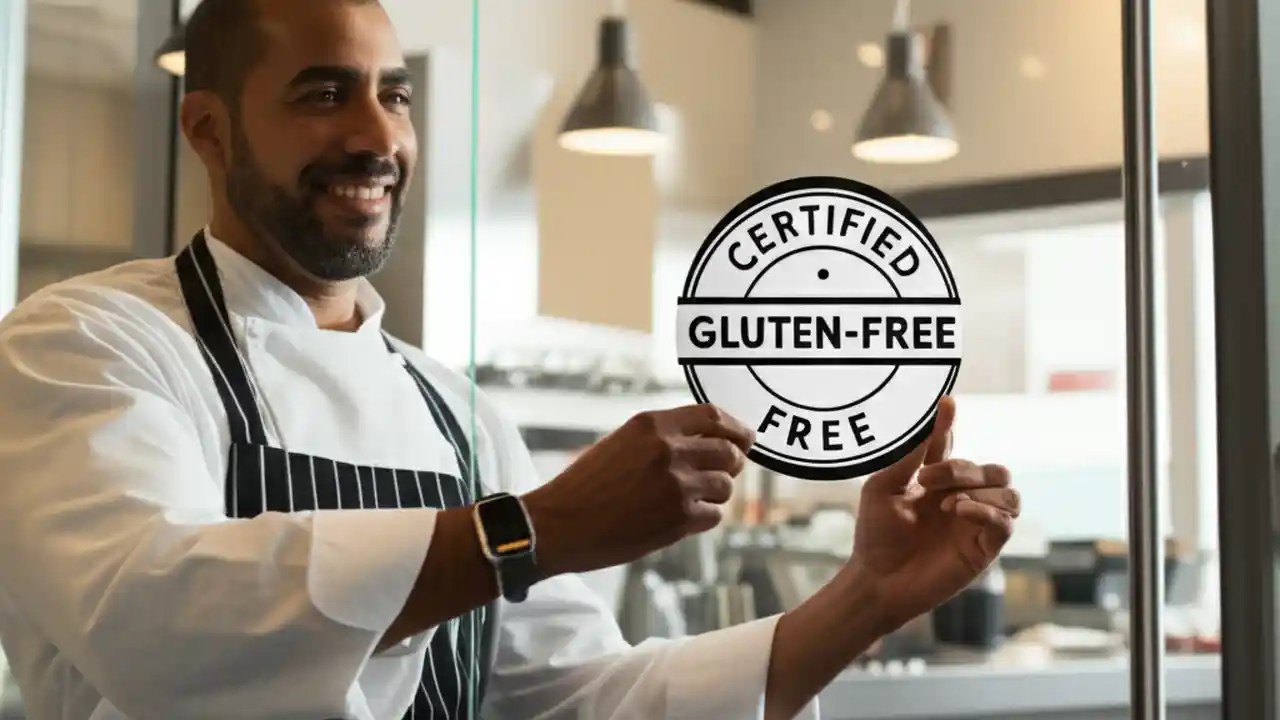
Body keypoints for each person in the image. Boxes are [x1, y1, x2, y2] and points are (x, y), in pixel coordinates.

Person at [0, 0, 1021, 718]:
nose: (376, 136)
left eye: (393, 96)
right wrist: (534, 529)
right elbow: (158, 622)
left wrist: (866, 596)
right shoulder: (86, 346)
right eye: (323, 94)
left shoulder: (454, 411)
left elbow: (575, 701)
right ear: (209, 130)